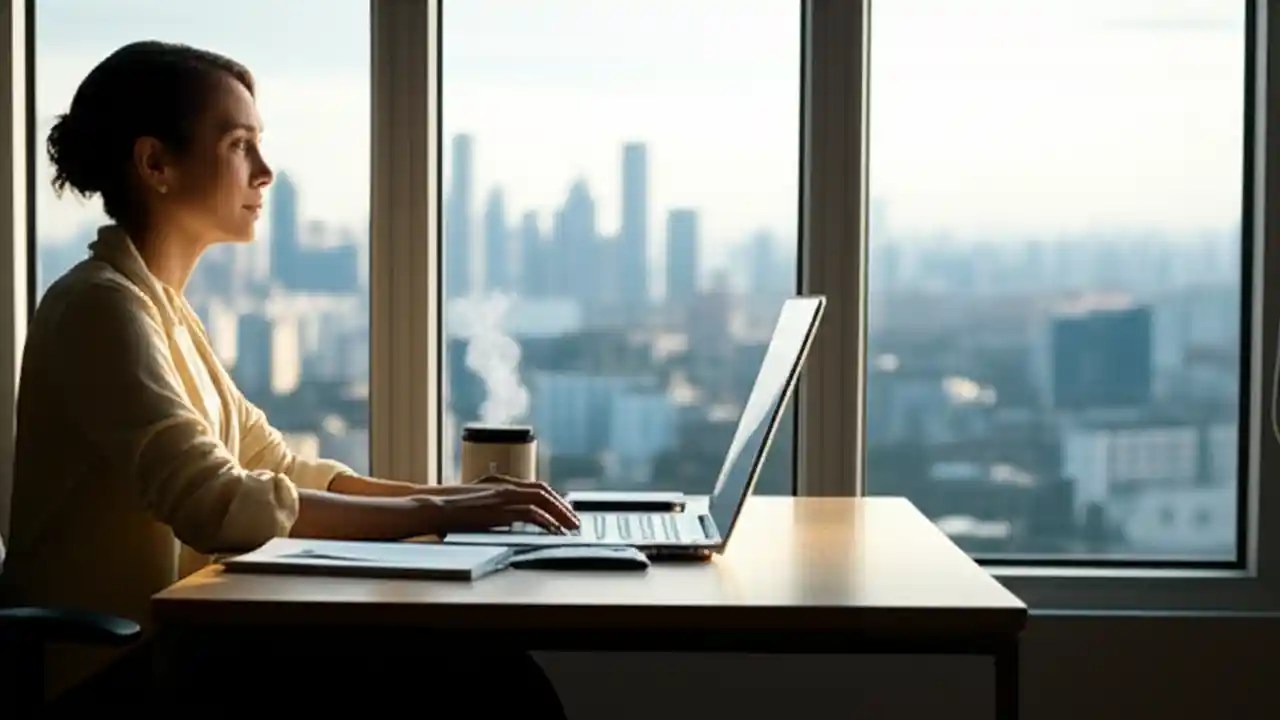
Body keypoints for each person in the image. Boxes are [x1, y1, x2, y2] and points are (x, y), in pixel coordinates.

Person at [1, 40, 577, 712]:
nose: (265, 171)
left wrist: (451, 506)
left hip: (175, 646)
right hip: (109, 672)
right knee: (491, 685)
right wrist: (438, 511)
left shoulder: (161, 308)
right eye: (240, 144)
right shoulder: (99, 307)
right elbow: (215, 503)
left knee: (490, 675)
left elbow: (279, 467)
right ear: (156, 162)